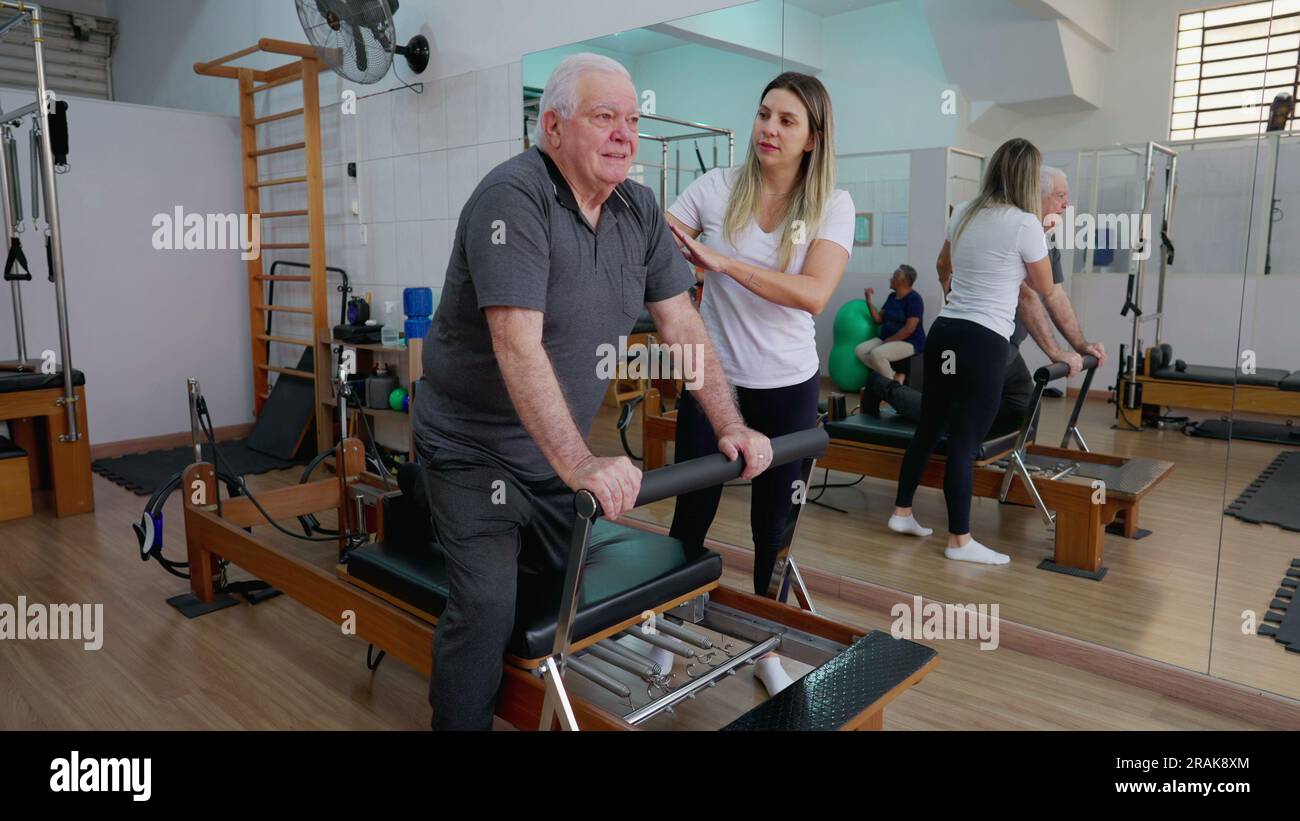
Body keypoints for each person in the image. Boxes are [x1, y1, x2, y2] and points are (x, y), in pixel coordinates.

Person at [411, 53, 772, 731]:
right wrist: (581, 463)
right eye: (604, 117)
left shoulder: (637, 209)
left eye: (632, 120)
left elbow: (681, 322)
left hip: (549, 455)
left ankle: (531, 693)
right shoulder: (511, 201)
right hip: (473, 448)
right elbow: (518, 344)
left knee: (567, 586)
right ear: (552, 127)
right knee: (486, 604)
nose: (624, 135)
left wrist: (730, 423)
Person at [665, 72, 854, 695]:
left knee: (774, 532)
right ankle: (666, 627)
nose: (769, 129)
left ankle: (766, 648)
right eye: (763, 114)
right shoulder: (717, 187)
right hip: (715, 384)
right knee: (689, 516)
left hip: (788, 388)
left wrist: (721, 262)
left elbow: (813, 294)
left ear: (813, 138)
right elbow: (658, 233)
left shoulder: (833, 205)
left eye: (787, 121)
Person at [886, 138, 1089, 567]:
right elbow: (1044, 290)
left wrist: (954, 295)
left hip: (946, 332)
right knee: (964, 441)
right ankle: (959, 541)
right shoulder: (1025, 224)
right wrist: (1045, 237)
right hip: (984, 342)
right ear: (1028, 179)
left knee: (930, 426)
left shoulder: (963, 211)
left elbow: (944, 266)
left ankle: (902, 512)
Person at [865, 166, 1106, 434]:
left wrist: (1081, 345)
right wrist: (1056, 352)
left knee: (1022, 405)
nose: (1066, 204)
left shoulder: (1044, 239)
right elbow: (1024, 297)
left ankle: (1008, 464)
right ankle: (883, 386)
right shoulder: (1011, 227)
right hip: (975, 345)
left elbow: (1054, 295)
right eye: (1060, 195)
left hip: (1005, 348)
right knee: (945, 418)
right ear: (1035, 195)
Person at [856, 264, 925, 382]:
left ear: (902, 282)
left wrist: (889, 340)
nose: (891, 279)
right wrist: (869, 301)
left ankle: (891, 389)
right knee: (860, 351)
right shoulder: (892, 297)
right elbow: (878, 320)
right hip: (887, 338)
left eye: (894, 277)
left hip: (910, 342)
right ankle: (894, 378)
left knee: (877, 354)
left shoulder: (915, 300)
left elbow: (909, 329)